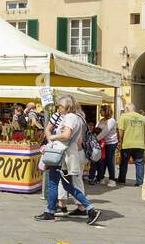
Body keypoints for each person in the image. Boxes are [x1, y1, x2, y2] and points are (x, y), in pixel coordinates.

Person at [34, 96, 101, 224]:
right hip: (66, 156)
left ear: (68, 107)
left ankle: (50, 212)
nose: (58, 108)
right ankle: (90, 208)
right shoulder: (76, 118)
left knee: (53, 183)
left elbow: (67, 135)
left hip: (62, 156)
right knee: (68, 186)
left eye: (61, 106)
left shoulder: (70, 117)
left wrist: (53, 137)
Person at [116, 103, 145, 187]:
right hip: (140, 144)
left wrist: (119, 141)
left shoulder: (124, 117)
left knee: (124, 162)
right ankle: (140, 182)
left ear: (126, 108)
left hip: (127, 144)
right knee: (139, 163)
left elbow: (121, 131)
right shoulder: (142, 118)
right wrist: (144, 142)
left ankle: (122, 180)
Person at [91, 107, 119, 186]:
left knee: (109, 161)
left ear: (106, 111)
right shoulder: (101, 120)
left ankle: (112, 179)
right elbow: (96, 129)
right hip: (101, 143)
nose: (100, 112)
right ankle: (101, 178)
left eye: (101, 111)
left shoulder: (111, 121)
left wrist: (96, 139)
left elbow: (105, 131)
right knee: (101, 161)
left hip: (111, 143)